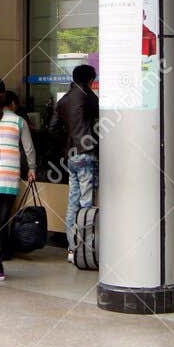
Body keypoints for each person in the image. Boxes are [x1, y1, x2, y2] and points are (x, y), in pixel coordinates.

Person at [0, 88, 37, 283]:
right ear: (13, 104)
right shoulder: (19, 121)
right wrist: (32, 168)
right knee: (4, 216)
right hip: (11, 173)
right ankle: (2, 253)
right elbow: (28, 147)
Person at [56, 63, 99, 263]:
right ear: (90, 80)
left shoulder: (64, 100)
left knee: (73, 201)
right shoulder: (88, 96)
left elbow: (53, 128)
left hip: (71, 155)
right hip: (86, 153)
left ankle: (72, 248)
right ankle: (85, 249)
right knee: (86, 202)